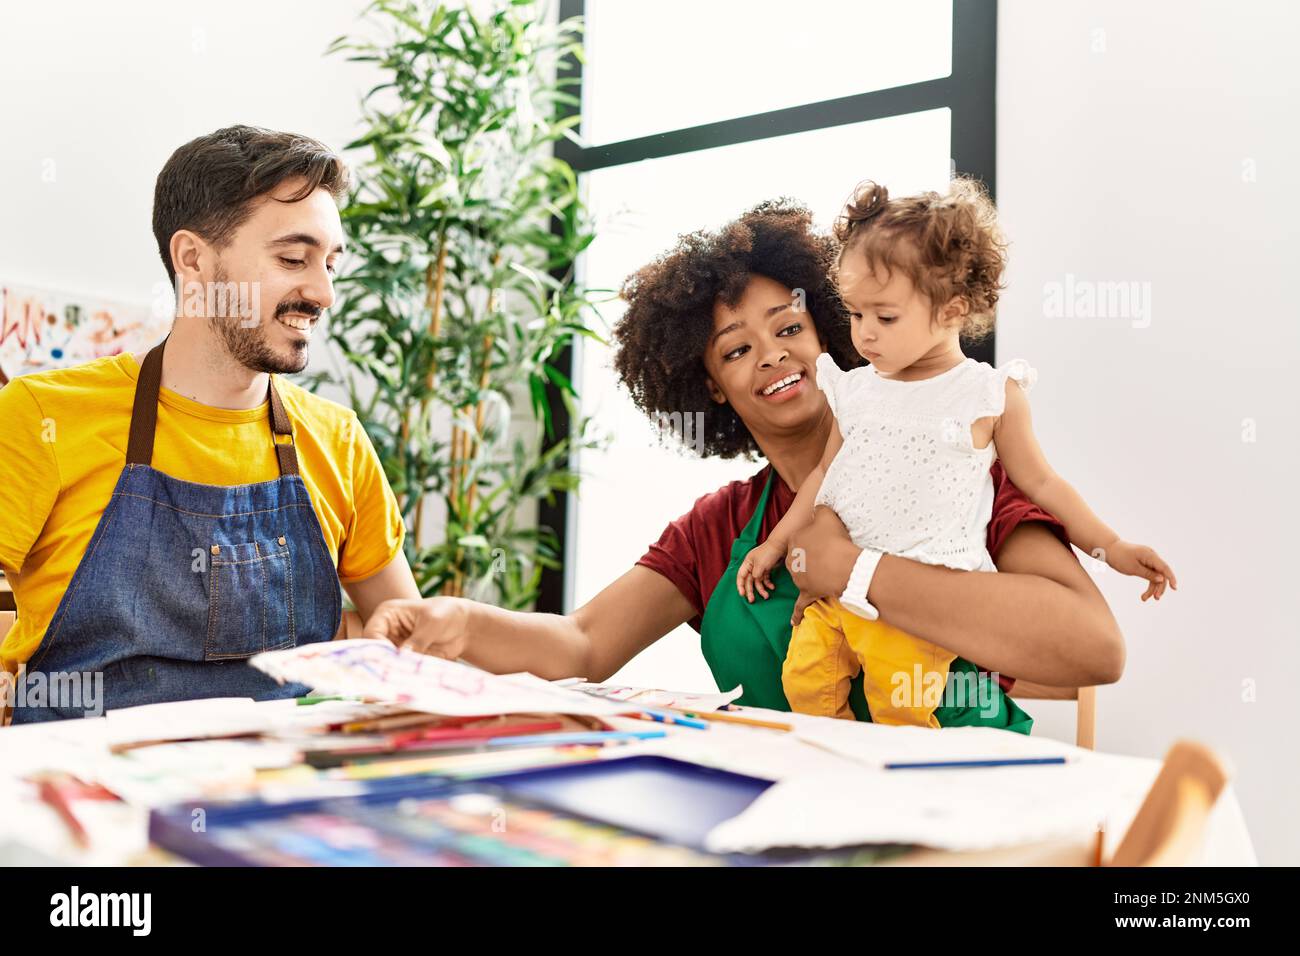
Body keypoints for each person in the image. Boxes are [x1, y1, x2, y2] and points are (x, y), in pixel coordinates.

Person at [360, 200, 1127, 733]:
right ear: (712, 390)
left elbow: (1093, 647)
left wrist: (852, 570)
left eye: (790, 326)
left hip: (965, 823)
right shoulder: (721, 525)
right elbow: (583, 644)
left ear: (839, 333)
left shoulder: (965, 461)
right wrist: (457, 622)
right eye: (735, 350)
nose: (771, 355)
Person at [0, 126, 422, 722]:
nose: (324, 292)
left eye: (330, 263)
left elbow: (409, 646)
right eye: (294, 259)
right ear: (192, 259)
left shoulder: (338, 440)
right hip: (86, 790)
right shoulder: (44, 415)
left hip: (275, 787)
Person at [736, 180, 1173, 727]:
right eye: (855, 314)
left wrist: (1111, 547)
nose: (864, 335)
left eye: (885, 317)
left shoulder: (989, 396)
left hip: (917, 604)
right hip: (832, 601)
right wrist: (776, 545)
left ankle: (905, 789)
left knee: (902, 707)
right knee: (804, 681)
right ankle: (840, 768)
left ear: (952, 309)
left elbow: (1042, 484)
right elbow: (826, 473)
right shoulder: (857, 391)